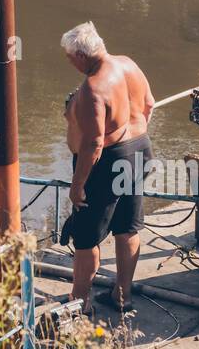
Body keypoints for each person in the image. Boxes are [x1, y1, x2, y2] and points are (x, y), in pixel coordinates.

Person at [61, 21, 155, 314]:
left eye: (69, 57)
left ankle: (80, 302)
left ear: (80, 56)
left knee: (86, 237)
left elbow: (93, 144)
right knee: (127, 226)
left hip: (108, 162)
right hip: (140, 149)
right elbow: (149, 104)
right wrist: (132, 140)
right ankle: (122, 295)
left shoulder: (92, 89)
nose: (70, 63)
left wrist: (77, 186)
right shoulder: (128, 63)